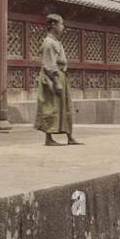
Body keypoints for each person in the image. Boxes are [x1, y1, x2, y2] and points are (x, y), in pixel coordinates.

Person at [34, 13, 81, 146]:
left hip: (59, 75)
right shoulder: (49, 42)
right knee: (51, 107)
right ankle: (49, 138)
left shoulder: (55, 41)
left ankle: (70, 137)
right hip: (52, 76)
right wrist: (55, 81)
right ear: (53, 25)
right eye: (61, 24)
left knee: (64, 106)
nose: (63, 27)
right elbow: (49, 64)